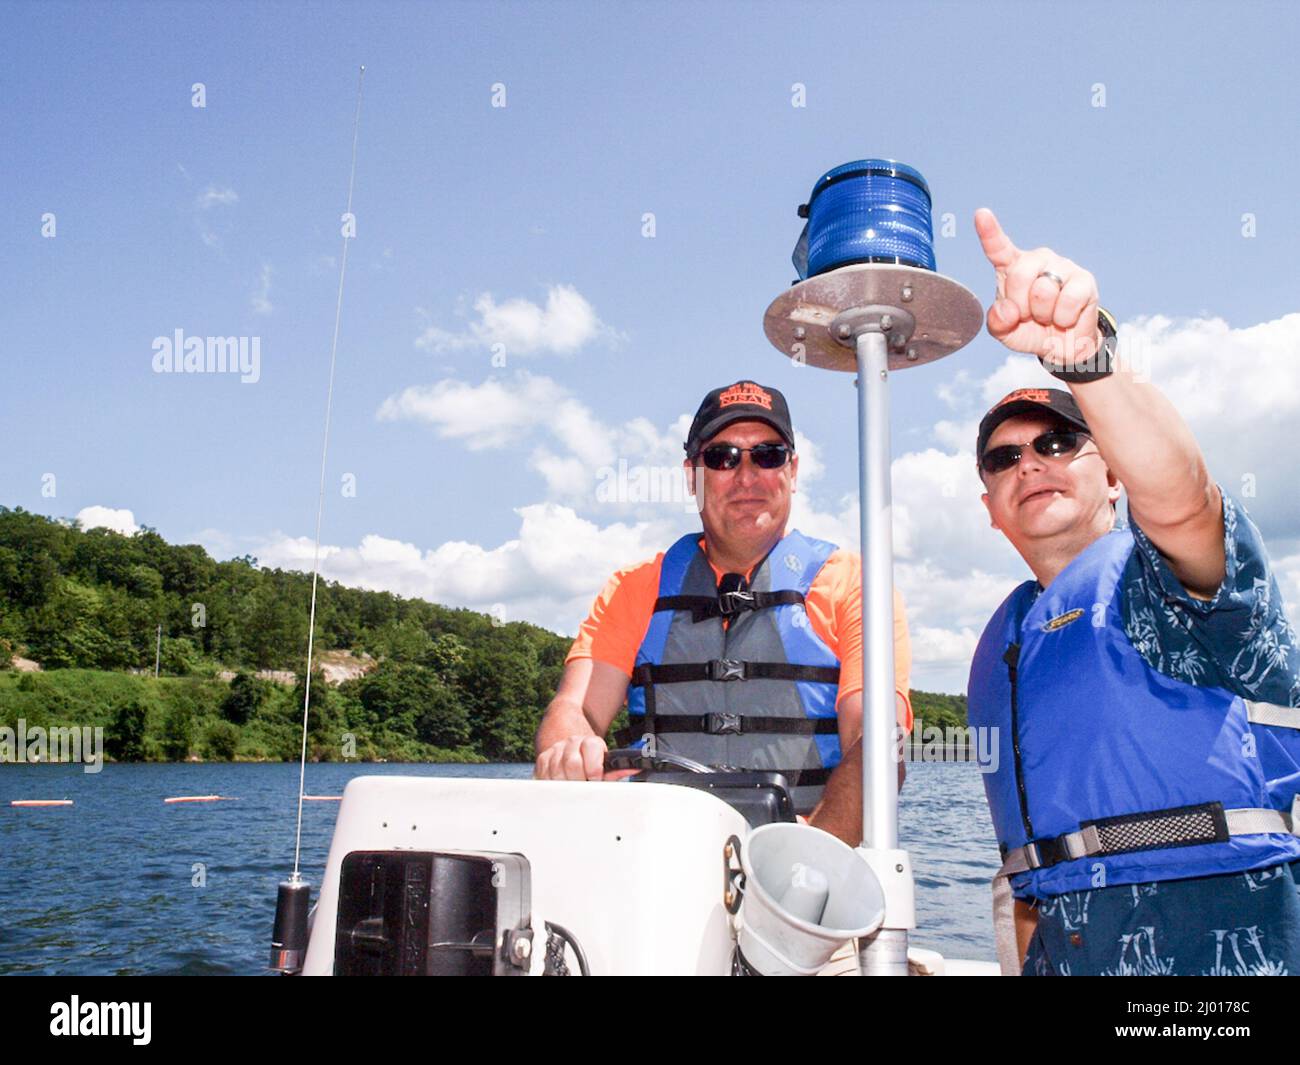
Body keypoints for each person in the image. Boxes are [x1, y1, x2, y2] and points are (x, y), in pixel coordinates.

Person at [967, 208, 1300, 976]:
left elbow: (1181, 494)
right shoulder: (1013, 643)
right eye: (1003, 457)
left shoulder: (1171, 573)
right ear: (988, 507)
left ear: (1112, 472)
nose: (1029, 462)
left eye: (1057, 442)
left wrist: (1085, 358)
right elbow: (1030, 881)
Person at [534, 380, 912, 845]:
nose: (747, 476)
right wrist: (569, 747)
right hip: (655, 856)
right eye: (723, 457)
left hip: (810, 857)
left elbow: (876, 741)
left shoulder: (858, 585)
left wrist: (811, 858)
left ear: (792, 470)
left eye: (768, 455)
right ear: (692, 474)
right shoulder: (632, 589)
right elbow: (574, 709)